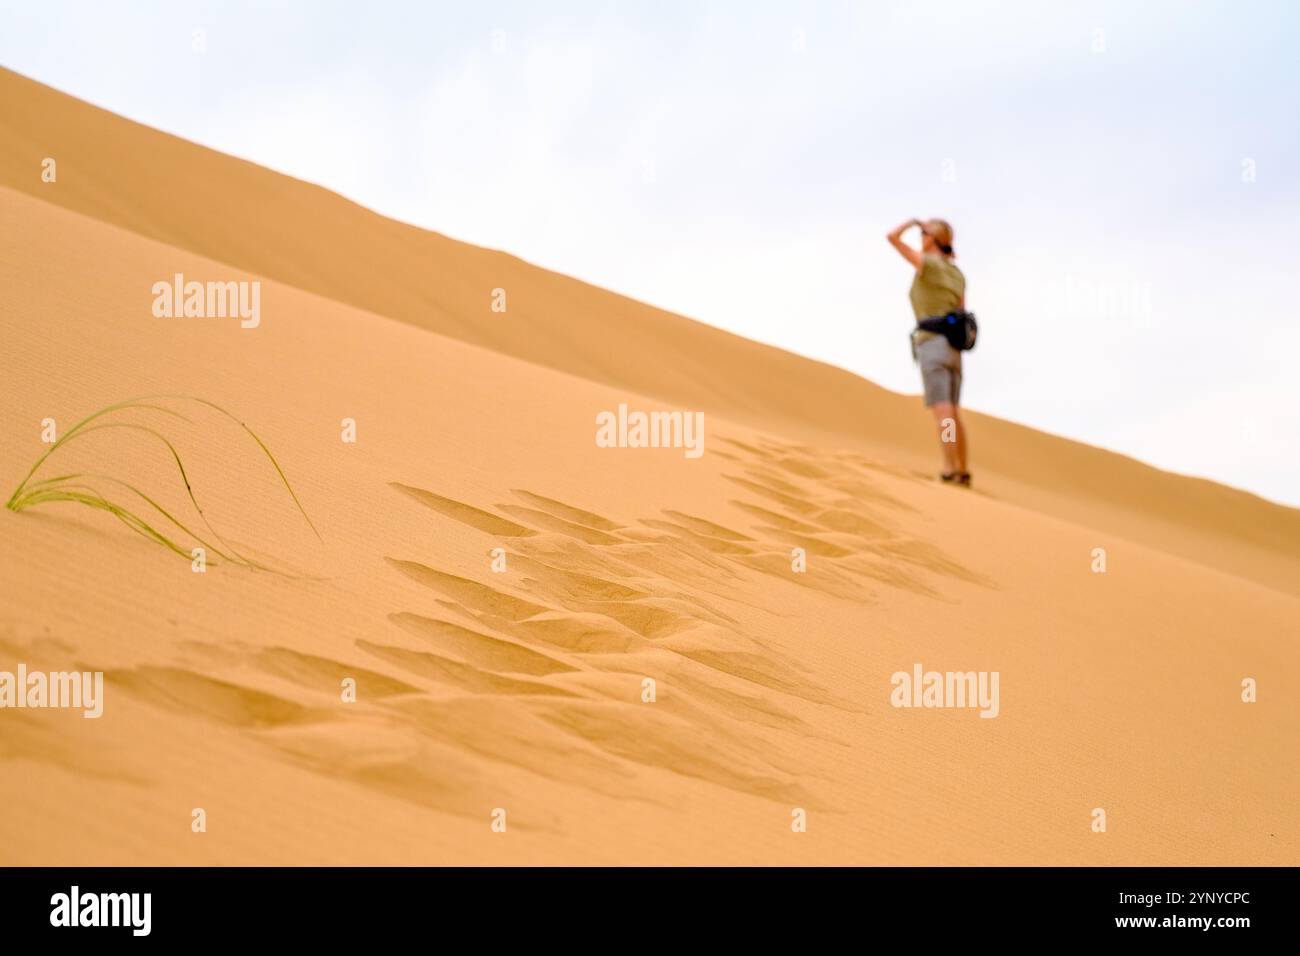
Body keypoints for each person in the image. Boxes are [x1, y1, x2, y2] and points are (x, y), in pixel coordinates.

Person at [886, 217, 971, 486]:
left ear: (932, 238)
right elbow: (961, 309)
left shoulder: (929, 264)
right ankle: (962, 468)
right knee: (954, 413)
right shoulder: (957, 274)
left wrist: (911, 223)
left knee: (943, 413)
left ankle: (949, 468)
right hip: (954, 349)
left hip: (932, 343)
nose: (920, 238)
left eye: (923, 234)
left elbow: (891, 237)